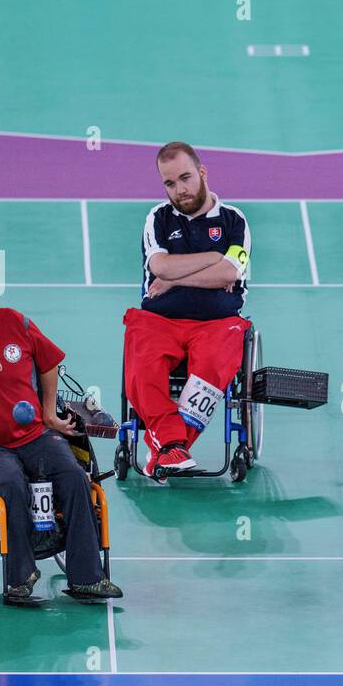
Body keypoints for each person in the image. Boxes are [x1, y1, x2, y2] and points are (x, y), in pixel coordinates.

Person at [0, 264, 122, 605]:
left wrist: (48, 413)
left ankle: (87, 578)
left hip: (32, 434)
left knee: (76, 478)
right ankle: (19, 580)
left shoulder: (15, 322)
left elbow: (48, 362)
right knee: (11, 482)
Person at [125, 141, 251, 477]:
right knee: (142, 368)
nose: (180, 190)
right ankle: (172, 446)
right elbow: (161, 267)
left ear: (202, 172)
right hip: (159, 320)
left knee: (213, 367)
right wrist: (212, 259)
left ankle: (166, 448)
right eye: (170, 183)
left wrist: (176, 279)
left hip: (218, 323)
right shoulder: (158, 218)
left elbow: (230, 272)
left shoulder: (234, 221)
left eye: (185, 178)